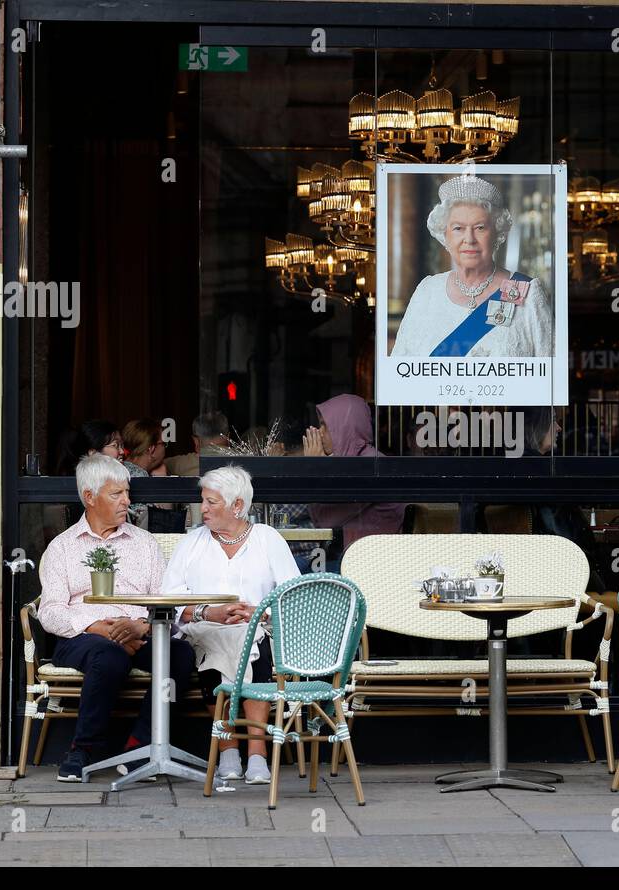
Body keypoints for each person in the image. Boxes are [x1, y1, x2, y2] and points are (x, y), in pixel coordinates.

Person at [37, 453, 192, 783]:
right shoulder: (62, 548)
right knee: (109, 656)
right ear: (89, 497)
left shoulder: (145, 544)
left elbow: (166, 602)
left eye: (127, 493)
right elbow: (49, 611)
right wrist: (97, 627)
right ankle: (81, 749)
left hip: (140, 633)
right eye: (117, 494)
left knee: (180, 655)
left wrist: (141, 627)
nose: (127, 501)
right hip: (82, 637)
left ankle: (142, 746)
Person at [161, 465, 300, 785]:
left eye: (211, 502)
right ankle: (228, 750)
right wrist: (208, 613)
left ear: (237, 505)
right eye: (203, 501)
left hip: (259, 629)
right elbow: (169, 600)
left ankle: (255, 753)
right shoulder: (192, 543)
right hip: (204, 629)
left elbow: (293, 596)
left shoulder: (267, 539)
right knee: (216, 641)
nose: (203, 509)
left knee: (251, 639)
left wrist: (259, 613)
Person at [391, 173, 553, 358]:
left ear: (497, 233)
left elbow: (552, 372)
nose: (469, 239)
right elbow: (400, 368)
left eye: (480, 228)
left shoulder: (527, 293)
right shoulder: (427, 291)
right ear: (445, 235)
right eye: (458, 228)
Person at [304, 394, 406, 553]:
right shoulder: (352, 461)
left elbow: (324, 520)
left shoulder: (370, 465)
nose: (320, 432)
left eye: (325, 425)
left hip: (373, 560)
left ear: (344, 427)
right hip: (356, 554)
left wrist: (315, 468)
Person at [121, 418, 182, 532]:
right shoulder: (140, 477)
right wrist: (162, 479)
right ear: (151, 449)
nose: (165, 448)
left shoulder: (121, 469)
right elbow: (165, 524)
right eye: (163, 444)